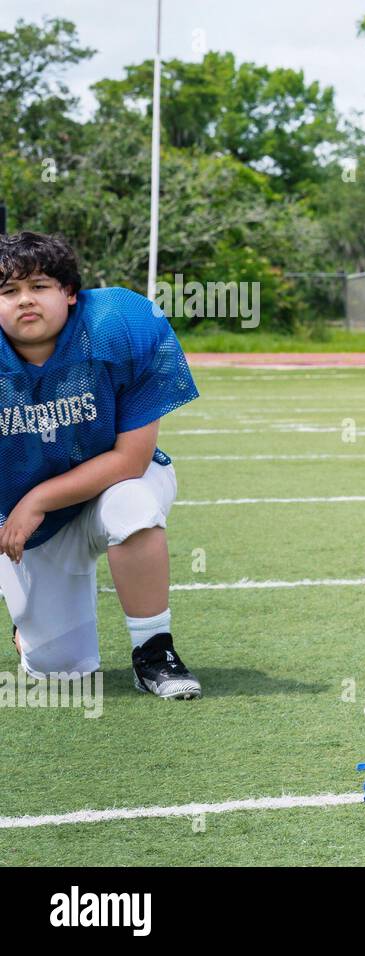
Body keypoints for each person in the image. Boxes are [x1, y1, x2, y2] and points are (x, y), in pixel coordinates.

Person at [0, 232, 202, 696]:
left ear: (70, 293)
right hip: (28, 526)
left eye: (39, 286)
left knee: (131, 504)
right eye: (9, 291)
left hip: (110, 485)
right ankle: (28, 627)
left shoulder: (115, 323)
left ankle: (154, 652)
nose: (24, 300)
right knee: (61, 669)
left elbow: (131, 460)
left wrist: (39, 498)